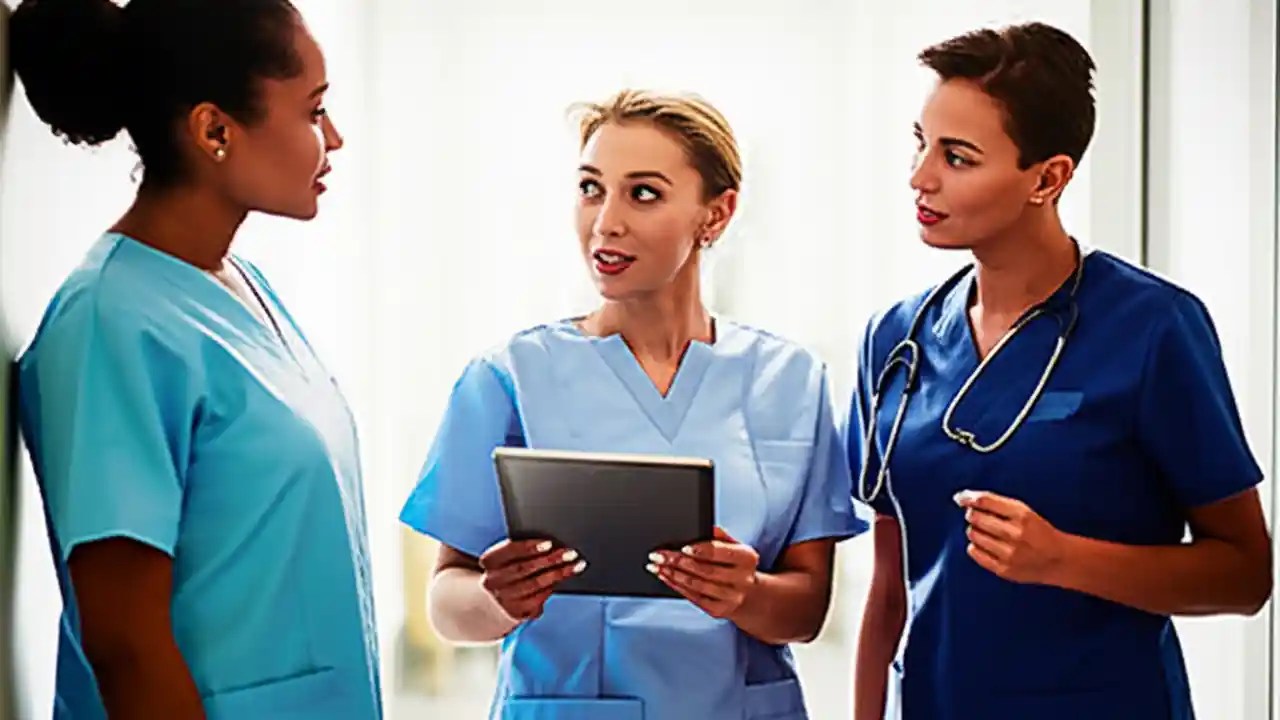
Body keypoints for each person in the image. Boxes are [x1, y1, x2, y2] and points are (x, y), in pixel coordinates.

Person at [848, 22, 1273, 720]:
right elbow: (890, 588)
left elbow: (1245, 573)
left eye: (957, 157)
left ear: (1048, 178)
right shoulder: (895, 340)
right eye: (921, 144)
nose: (921, 177)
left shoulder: (1152, 327)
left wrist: (1061, 559)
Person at [400, 88, 867, 720]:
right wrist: (500, 598)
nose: (605, 221)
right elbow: (446, 602)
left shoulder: (790, 380)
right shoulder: (509, 377)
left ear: (716, 215)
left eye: (642, 193)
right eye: (592, 189)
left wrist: (743, 593)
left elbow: (807, 610)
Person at [11, 1, 380, 718]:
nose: (333, 138)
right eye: (314, 111)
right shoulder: (108, 324)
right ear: (215, 129)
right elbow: (125, 644)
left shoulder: (242, 286)